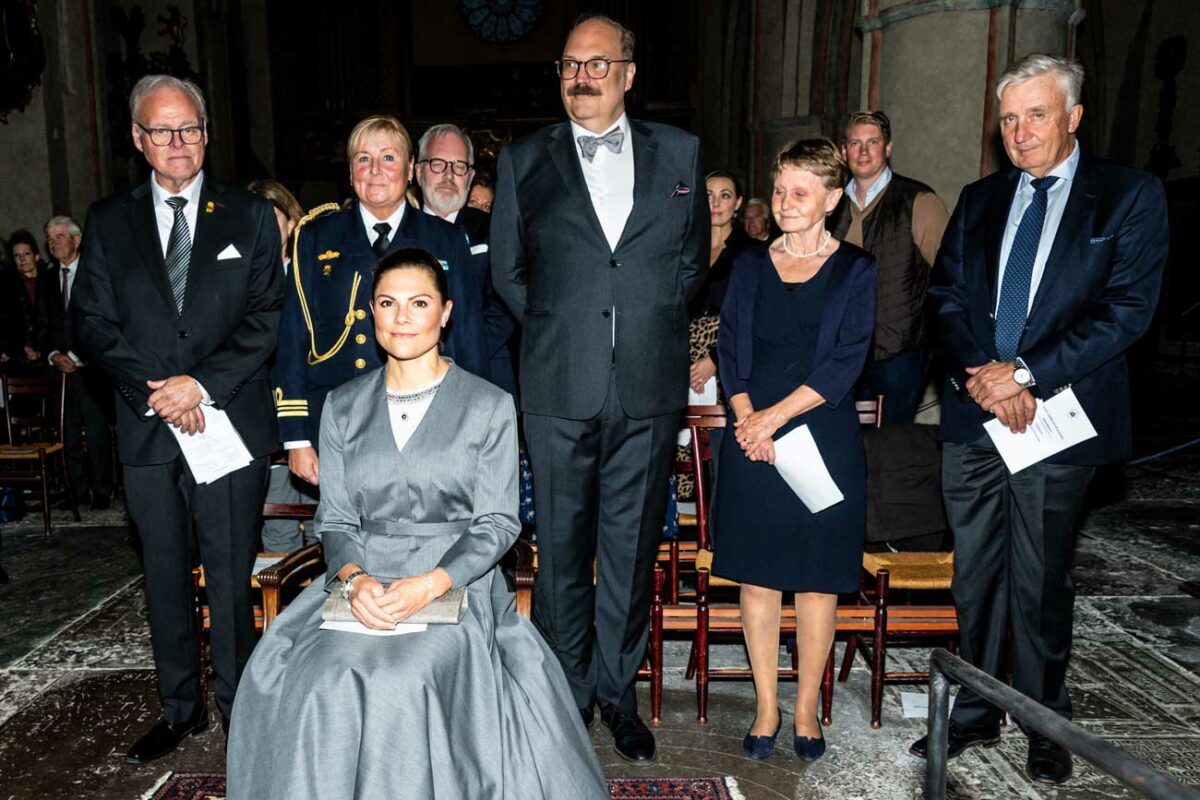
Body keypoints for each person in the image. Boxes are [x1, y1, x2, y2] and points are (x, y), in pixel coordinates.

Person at [227, 249, 607, 800]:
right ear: (371, 314)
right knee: (315, 679)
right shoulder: (341, 405)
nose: (402, 317)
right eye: (387, 303)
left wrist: (429, 583)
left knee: (403, 680)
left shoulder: (489, 405)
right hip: (359, 580)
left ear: (446, 313)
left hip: (459, 584)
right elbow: (333, 519)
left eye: (419, 303)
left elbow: (498, 523)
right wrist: (355, 581)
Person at [910, 54, 1168, 785]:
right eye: (1010, 117)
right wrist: (985, 378)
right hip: (974, 416)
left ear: (1074, 117)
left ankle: (1042, 719)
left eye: (1037, 114)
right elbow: (945, 298)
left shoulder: (1127, 195)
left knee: (1040, 578)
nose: (1020, 132)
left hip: (1059, 420)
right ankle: (971, 712)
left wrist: (1025, 374)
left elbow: (1127, 311)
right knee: (977, 577)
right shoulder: (983, 197)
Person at [491, 13, 706, 763]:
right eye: (569, 65)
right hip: (558, 385)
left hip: (646, 387)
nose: (581, 76)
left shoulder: (679, 152)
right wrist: (567, 330)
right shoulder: (523, 161)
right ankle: (565, 693)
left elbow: (690, 264)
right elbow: (509, 275)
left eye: (597, 63)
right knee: (560, 551)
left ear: (628, 73)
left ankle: (617, 693)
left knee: (629, 551)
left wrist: (635, 329)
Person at [71, 74, 283, 761]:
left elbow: (265, 318)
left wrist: (201, 385)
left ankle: (240, 713)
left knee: (229, 577)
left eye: (189, 127)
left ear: (206, 132)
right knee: (163, 575)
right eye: (161, 130)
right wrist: (156, 392)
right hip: (148, 430)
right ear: (139, 140)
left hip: (227, 424)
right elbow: (91, 323)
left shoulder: (247, 216)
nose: (178, 142)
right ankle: (180, 709)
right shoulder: (108, 220)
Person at [712, 138, 875, 762]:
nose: (784, 203)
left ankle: (806, 710)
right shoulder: (750, 263)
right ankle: (765, 707)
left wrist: (773, 418)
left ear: (833, 198)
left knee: (815, 584)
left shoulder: (856, 269)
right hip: (751, 438)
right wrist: (746, 415)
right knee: (757, 580)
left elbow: (846, 361)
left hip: (820, 438)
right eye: (779, 190)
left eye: (799, 192)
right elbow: (730, 346)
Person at [275, 114, 485, 489]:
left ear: (409, 171)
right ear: (351, 172)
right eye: (363, 159)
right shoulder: (315, 237)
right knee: (347, 539)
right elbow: (293, 337)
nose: (375, 170)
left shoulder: (445, 240)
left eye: (388, 158)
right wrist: (297, 436)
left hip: (428, 418)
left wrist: (471, 425)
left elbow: (467, 338)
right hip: (338, 420)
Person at [830, 110, 949, 423]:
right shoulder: (830, 205)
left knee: (890, 447)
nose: (864, 151)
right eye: (855, 143)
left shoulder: (918, 201)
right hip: (840, 352)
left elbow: (952, 276)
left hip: (900, 351)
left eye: (873, 142)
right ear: (844, 151)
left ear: (888, 148)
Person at [415, 123, 516, 394]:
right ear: (418, 171)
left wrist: (465, 346)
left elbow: (507, 299)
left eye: (459, 166)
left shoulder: (494, 229)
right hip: (409, 378)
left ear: (470, 177)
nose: (449, 175)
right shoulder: (400, 231)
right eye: (438, 164)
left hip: (487, 375)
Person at [42, 215, 115, 509]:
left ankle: (101, 489)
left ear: (76, 239)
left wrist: (76, 355)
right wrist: (52, 355)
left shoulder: (95, 272)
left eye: (59, 236)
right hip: (59, 372)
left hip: (91, 369)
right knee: (67, 431)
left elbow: (103, 320)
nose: (54, 242)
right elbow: (41, 325)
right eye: (49, 238)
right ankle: (76, 489)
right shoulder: (47, 279)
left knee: (96, 431)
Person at [688, 169, 753, 399]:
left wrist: (715, 359)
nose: (715, 203)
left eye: (725, 195)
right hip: (681, 360)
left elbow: (752, 317)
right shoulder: (684, 249)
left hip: (729, 359)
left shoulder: (751, 253)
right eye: (708, 195)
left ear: (737, 203)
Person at [1, 230, 52, 368]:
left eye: (26, 254)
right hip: (17, 359)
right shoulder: (6, 286)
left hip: (50, 358)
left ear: (36, 256)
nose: (22, 259)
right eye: (17, 255)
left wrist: (42, 351)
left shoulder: (51, 282)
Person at [247, 178, 303, 272]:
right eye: (252, 217)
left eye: (270, 216)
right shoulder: (239, 277)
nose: (260, 224)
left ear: (290, 225)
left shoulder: (305, 276)